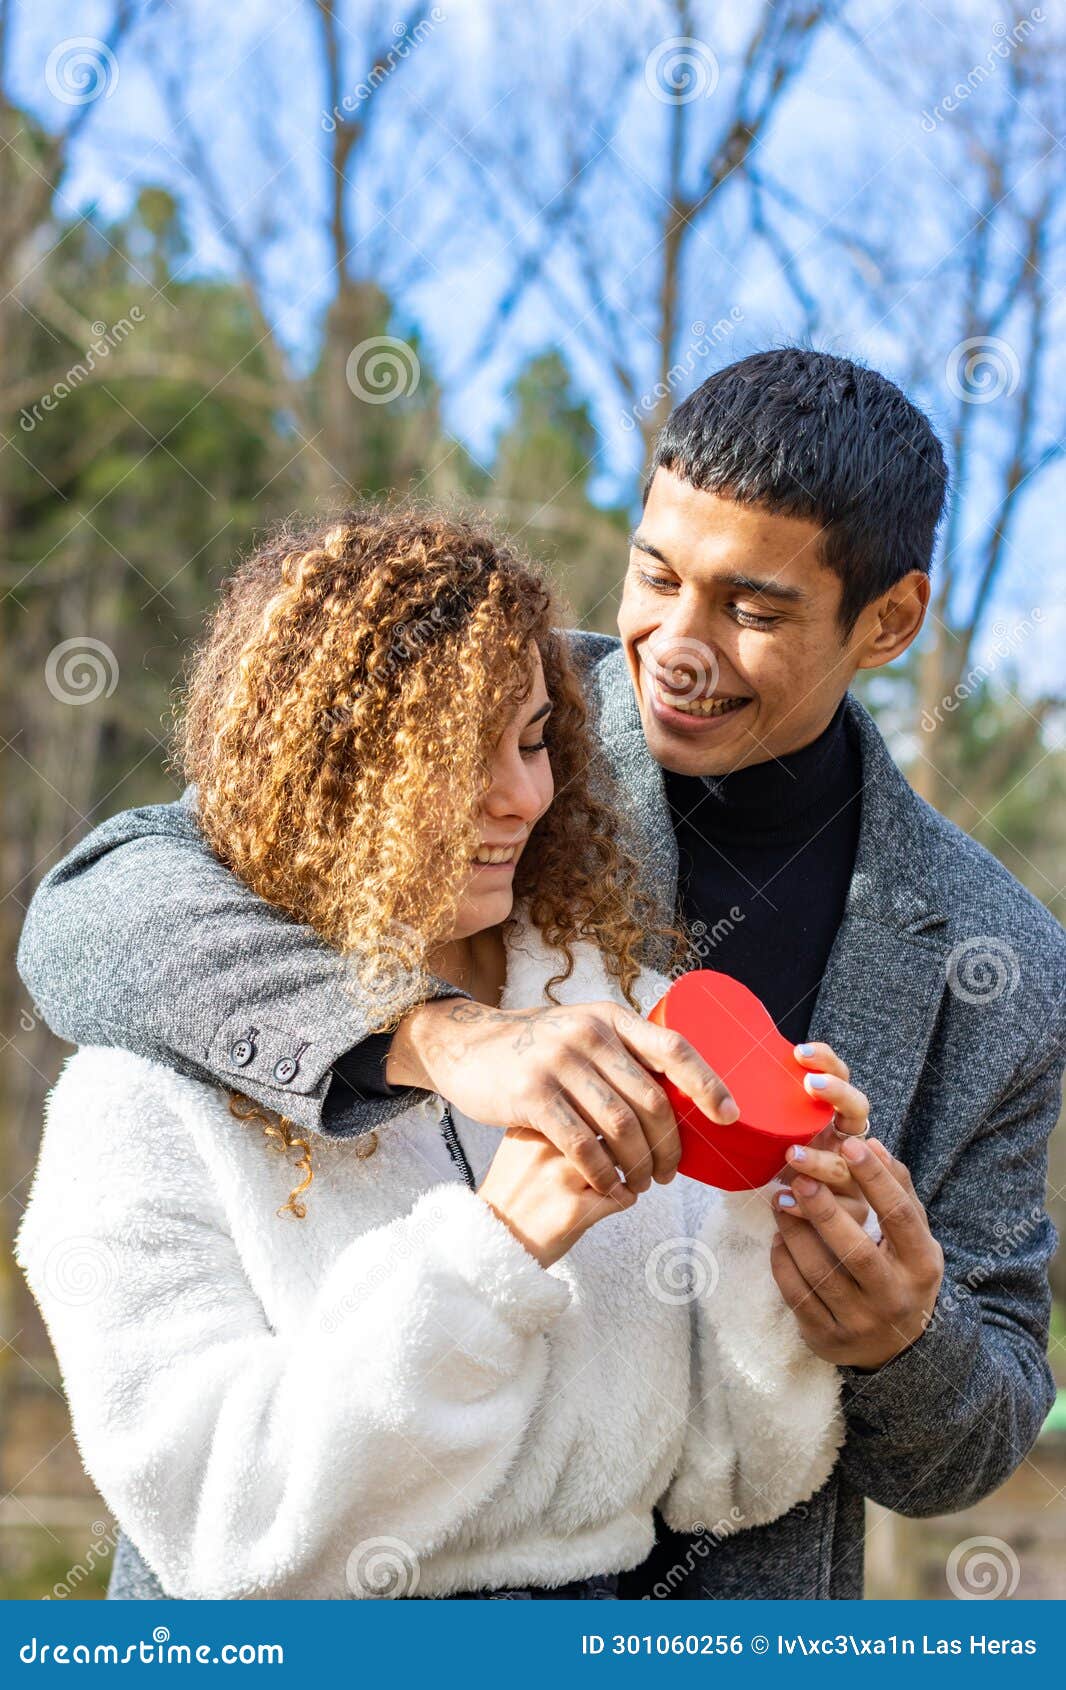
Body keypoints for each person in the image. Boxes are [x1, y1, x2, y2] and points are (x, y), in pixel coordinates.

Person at [19, 350, 1063, 1600]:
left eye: (754, 608)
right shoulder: (469, 690)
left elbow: (979, 1419)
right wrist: (438, 1034)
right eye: (654, 572)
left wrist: (902, 1341)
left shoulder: (998, 961)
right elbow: (94, 910)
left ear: (887, 620)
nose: (673, 646)